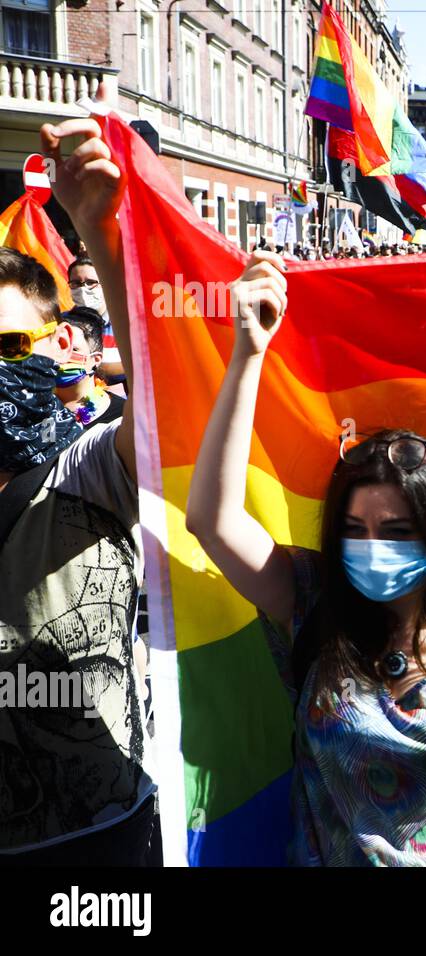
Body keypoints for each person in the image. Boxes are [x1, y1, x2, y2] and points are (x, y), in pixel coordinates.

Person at [184, 251, 426, 866]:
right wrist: (250, 352)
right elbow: (211, 520)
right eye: (355, 529)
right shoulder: (310, 601)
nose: (373, 548)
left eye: (397, 531)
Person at [1, 98, 157, 864]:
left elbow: (165, 408)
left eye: (7, 343)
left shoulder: (88, 468)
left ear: (62, 343)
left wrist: (100, 229)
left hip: (100, 840)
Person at [54, 305, 125, 429]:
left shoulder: (122, 417)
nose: (62, 356)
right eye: (57, 346)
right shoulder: (34, 408)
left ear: (95, 359)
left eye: (73, 349)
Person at [68, 254, 125, 392]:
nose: (82, 289)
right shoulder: (63, 324)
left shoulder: (125, 323)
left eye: (90, 282)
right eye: (75, 283)